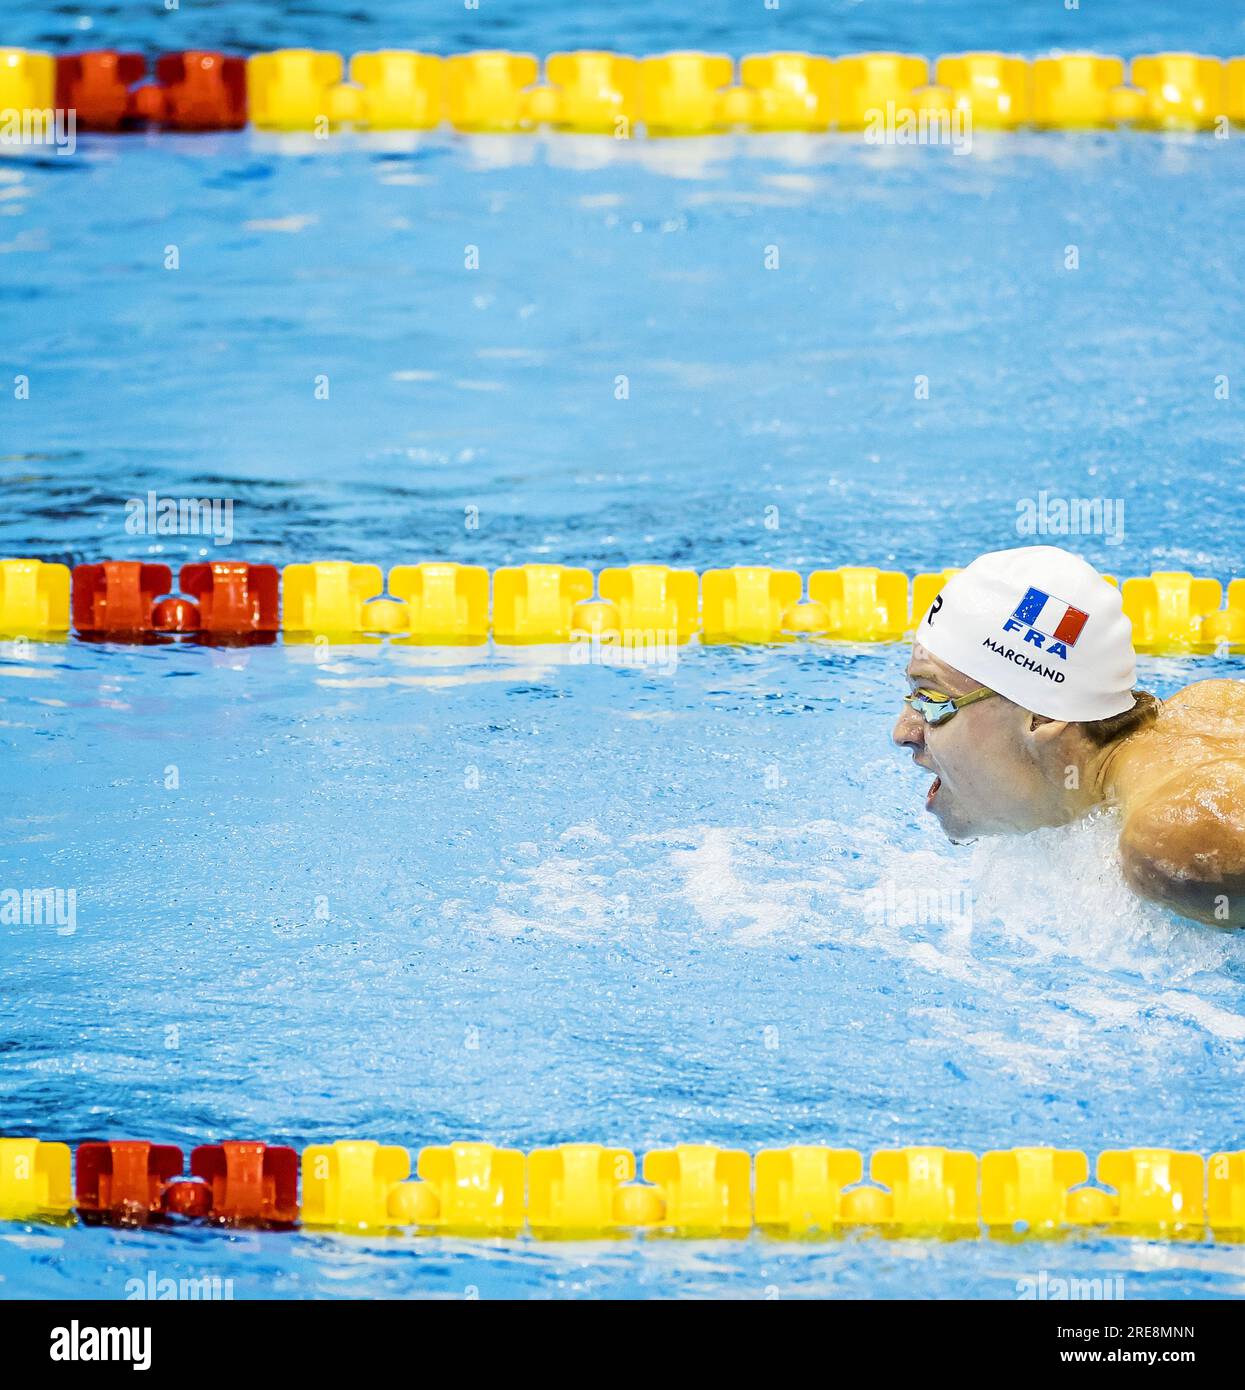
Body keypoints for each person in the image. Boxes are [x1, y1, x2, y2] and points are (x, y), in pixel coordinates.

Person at [892, 545, 1245, 927]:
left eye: (933, 700)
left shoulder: (1182, 842)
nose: (903, 733)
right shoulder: (1207, 706)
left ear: (1043, 717)